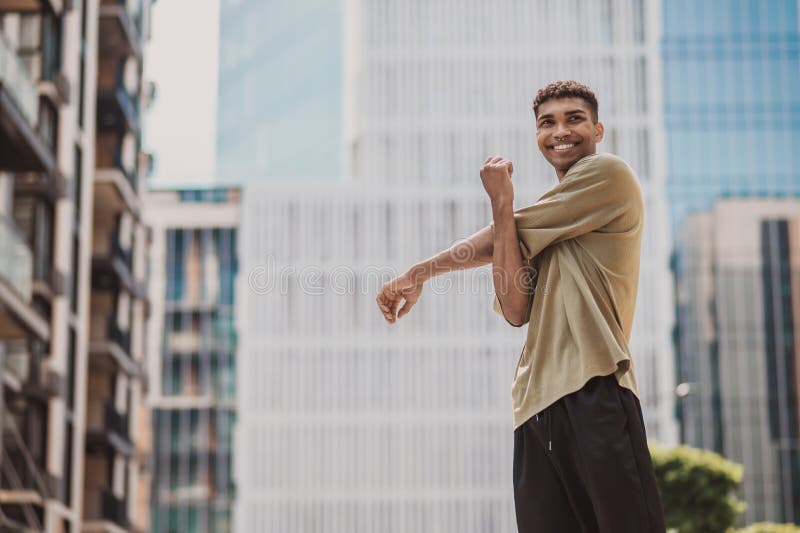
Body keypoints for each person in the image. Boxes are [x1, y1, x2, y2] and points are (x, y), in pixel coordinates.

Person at [375, 80, 667, 533]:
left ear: (598, 129)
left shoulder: (608, 174)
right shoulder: (545, 229)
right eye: (546, 122)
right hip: (534, 409)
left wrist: (420, 271)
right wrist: (503, 206)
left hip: (595, 389)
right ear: (536, 135)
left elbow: (500, 236)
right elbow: (515, 309)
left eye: (574, 118)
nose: (560, 131)